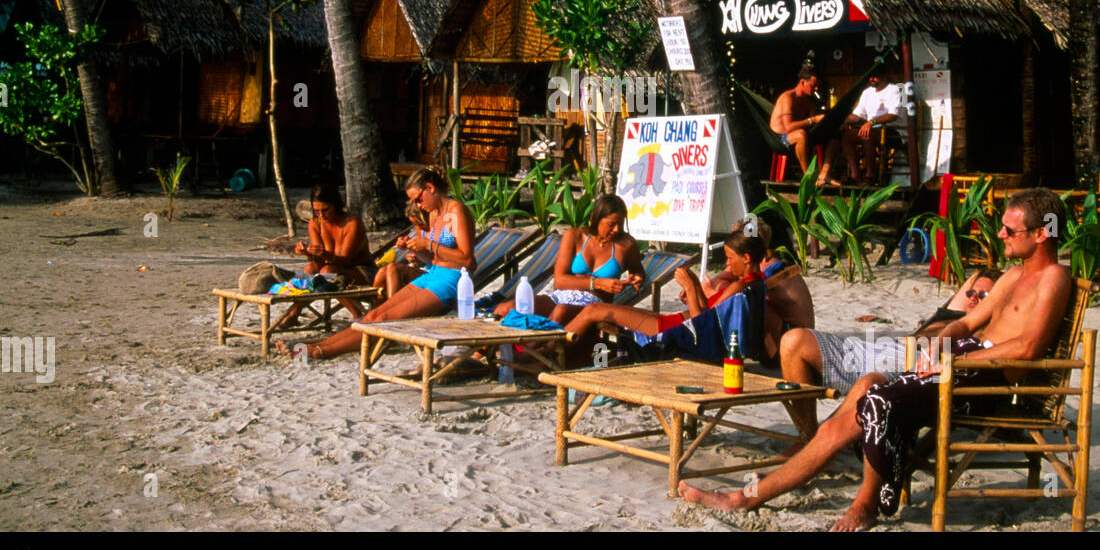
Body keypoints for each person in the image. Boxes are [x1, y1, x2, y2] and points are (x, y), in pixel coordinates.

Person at [679, 187, 1071, 532]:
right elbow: (967, 322)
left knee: (880, 401)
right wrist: (940, 346)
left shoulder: (1054, 278)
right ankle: (748, 495)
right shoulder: (1013, 276)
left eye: (1010, 230)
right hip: (961, 366)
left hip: (984, 383)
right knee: (868, 383)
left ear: (1041, 234)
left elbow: (1028, 348)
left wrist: (956, 363)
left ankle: (866, 503)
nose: (1000, 234)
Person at [275, 166, 476, 360]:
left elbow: (468, 260)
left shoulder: (457, 211)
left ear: (431, 188)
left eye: (418, 198)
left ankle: (319, 351)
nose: (417, 205)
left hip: (450, 281)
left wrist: (429, 244)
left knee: (384, 320)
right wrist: (416, 249)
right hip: (432, 274)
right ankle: (316, 346)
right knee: (374, 314)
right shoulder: (434, 213)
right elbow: (435, 259)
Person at [777, 268, 1002, 435]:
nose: (973, 297)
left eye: (983, 296)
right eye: (972, 292)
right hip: (890, 347)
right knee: (794, 340)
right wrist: (978, 288)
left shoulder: (988, 327)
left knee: (869, 383)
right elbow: (973, 283)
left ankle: (819, 441)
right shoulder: (955, 312)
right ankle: (808, 436)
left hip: (912, 363)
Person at [560, 232, 767, 361]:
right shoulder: (754, 284)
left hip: (678, 332)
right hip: (677, 323)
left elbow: (703, 329)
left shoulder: (739, 286)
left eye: (730, 258)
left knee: (594, 311)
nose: (727, 264)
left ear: (746, 258)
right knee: (597, 312)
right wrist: (693, 283)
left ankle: (550, 352)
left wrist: (691, 288)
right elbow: (710, 316)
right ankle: (562, 352)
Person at [493, 194, 644, 325]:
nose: (617, 229)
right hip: (561, 297)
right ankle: (477, 355)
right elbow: (560, 281)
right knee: (504, 309)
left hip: (594, 305)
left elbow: (638, 272)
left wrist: (636, 279)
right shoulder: (574, 236)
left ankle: (530, 356)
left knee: (561, 312)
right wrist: (598, 283)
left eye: (620, 224)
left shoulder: (626, 245)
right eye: (611, 224)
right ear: (597, 218)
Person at [703, 215, 814, 361]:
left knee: (742, 300)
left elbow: (734, 301)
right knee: (729, 289)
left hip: (792, 343)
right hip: (791, 334)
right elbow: (726, 274)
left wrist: (710, 293)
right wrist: (709, 286)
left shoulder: (770, 269)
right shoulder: (759, 260)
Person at [273, 182, 376, 329]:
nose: (321, 215)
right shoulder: (316, 223)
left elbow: (346, 259)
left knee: (328, 272)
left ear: (336, 205)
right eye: (316, 211)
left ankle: (357, 314)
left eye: (325, 210)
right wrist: (308, 253)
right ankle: (294, 312)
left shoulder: (352, 223)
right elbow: (317, 260)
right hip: (333, 270)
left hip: (362, 271)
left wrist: (327, 255)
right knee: (310, 268)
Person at [770, 61, 841, 186]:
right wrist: (812, 120)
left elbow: (813, 123)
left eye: (817, 86)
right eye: (813, 86)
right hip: (780, 138)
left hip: (803, 134)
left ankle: (824, 174)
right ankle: (809, 176)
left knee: (835, 134)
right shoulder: (788, 98)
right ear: (803, 82)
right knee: (801, 134)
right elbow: (788, 127)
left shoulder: (810, 101)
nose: (816, 89)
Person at [841, 61, 903, 185]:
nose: (871, 79)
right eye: (870, 76)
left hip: (892, 131)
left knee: (866, 134)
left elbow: (893, 115)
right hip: (872, 129)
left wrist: (871, 122)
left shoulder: (894, 90)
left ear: (884, 77)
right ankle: (855, 175)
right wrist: (844, 120)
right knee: (846, 137)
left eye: (875, 76)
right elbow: (857, 115)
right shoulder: (867, 92)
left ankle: (870, 175)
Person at [372, 205, 429, 297]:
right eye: (415, 225)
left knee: (393, 268)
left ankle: (390, 308)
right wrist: (412, 251)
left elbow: (435, 258)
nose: (417, 228)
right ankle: (377, 306)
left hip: (432, 273)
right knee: (383, 271)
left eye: (419, 224)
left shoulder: (437, 232)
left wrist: (419, 254)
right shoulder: (418, 231)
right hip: (421, 268)